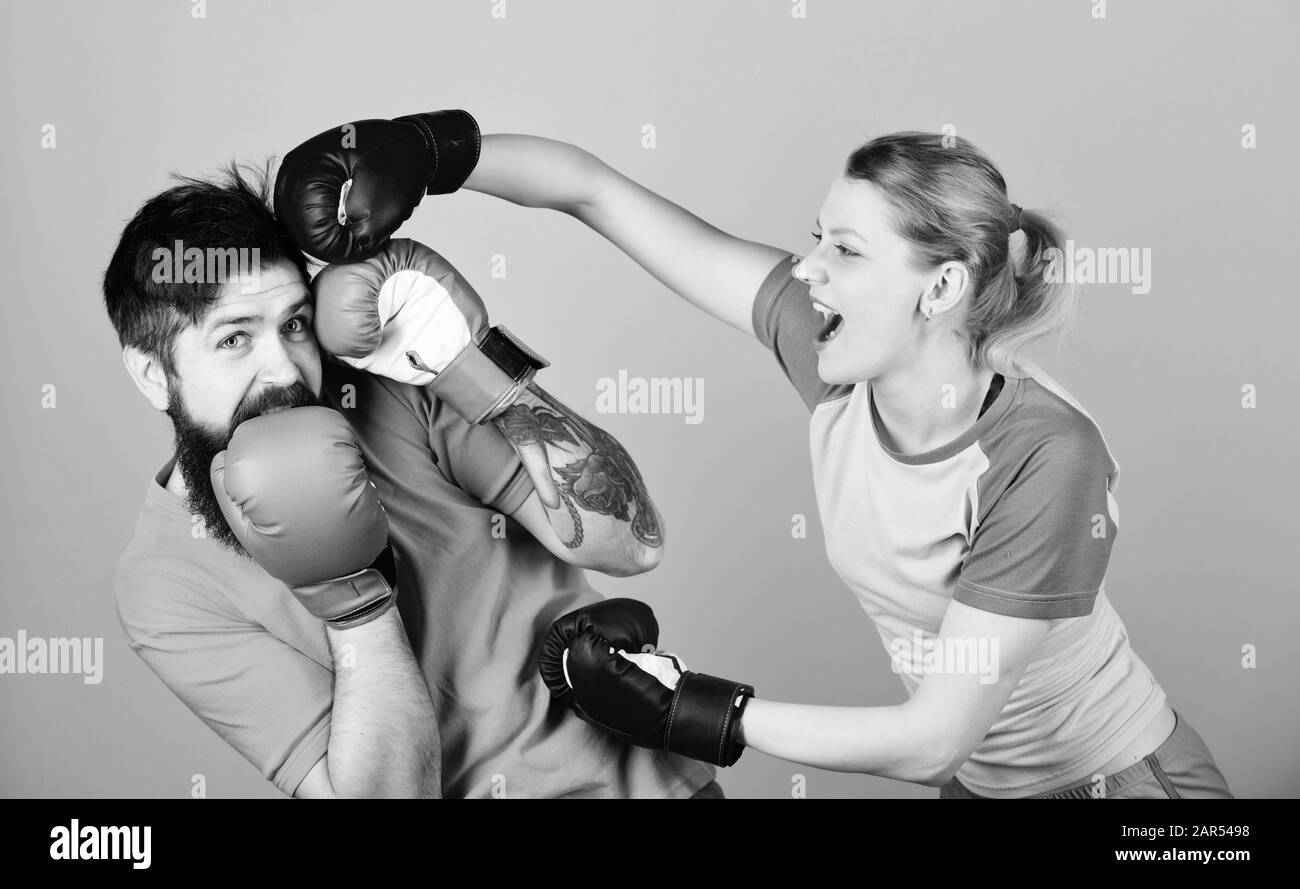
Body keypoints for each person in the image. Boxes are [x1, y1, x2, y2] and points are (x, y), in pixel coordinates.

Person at [283, 110, 1234, 798]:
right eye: (817, 239)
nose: (808, 269)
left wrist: (683, 707)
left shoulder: (1046, 457)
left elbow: (932, 739)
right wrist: (428, 147)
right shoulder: (833, 358)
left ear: (941, 286)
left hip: (1127, 790)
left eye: (847, 252)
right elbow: (593, 190)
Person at [104, 161, 719, 798]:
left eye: (293, 324)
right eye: (234, 339)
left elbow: (632, 545)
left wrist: (475, 365)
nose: (284, 370)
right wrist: (352, 600)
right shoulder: (164, 585)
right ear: (152, 373)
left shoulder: (392, 389)